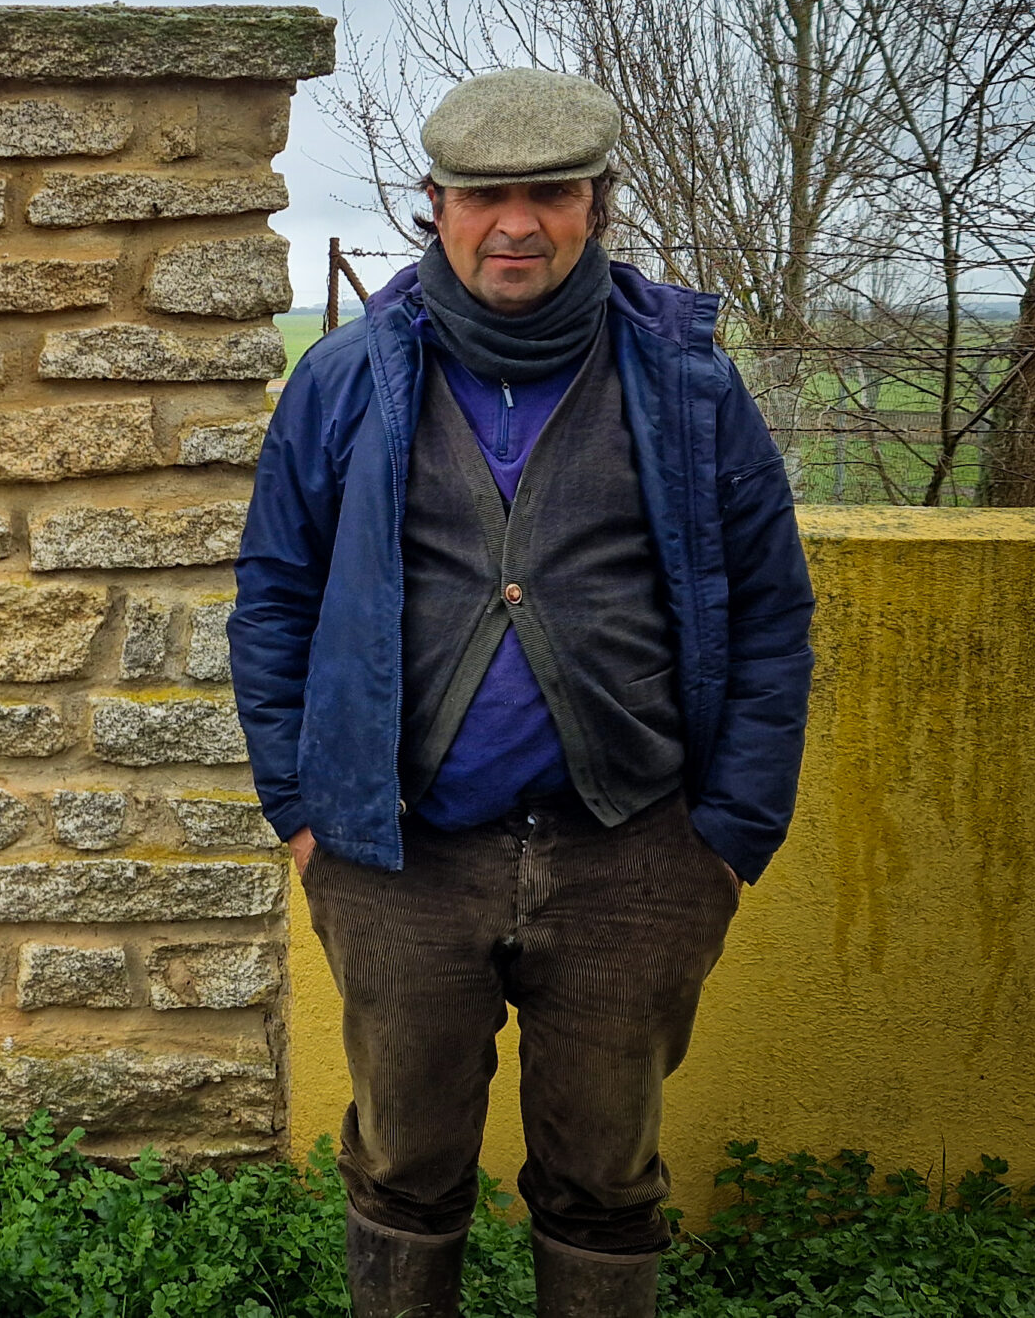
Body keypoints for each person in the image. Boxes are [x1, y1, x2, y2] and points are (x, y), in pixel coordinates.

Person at [228, 68, 814, 1318]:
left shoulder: (688, 387)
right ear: (433, 205)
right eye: (484, 194)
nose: (515, 223)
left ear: (595, 205)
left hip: (635, 853)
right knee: (403, 1163)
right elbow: (273, 601)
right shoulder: (339, 383)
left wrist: (728, 835)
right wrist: (302, 807)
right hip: (397, 856)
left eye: (548, 192)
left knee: (606, 1178)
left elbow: (770, 609)